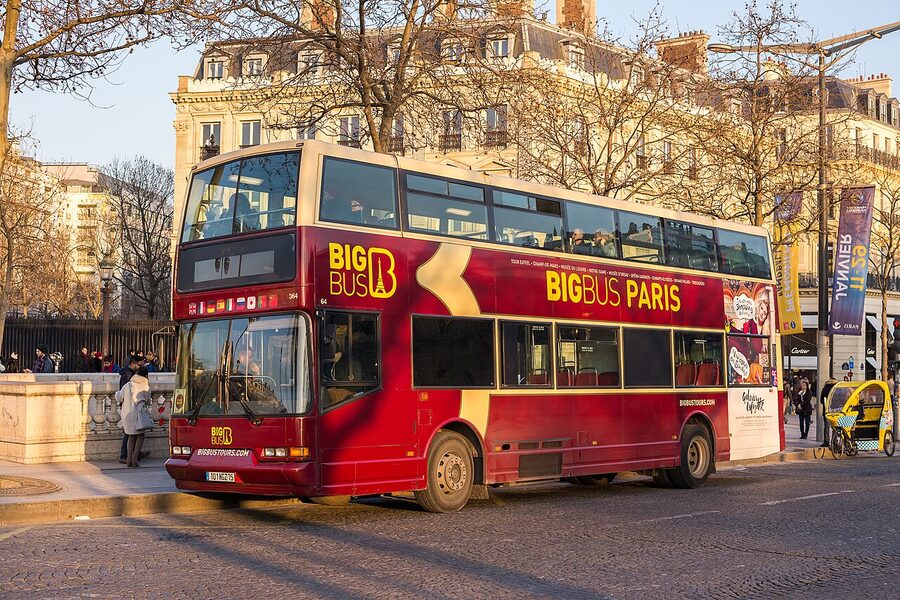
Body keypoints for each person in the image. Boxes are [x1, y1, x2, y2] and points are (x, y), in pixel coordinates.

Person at [116, 366, 153, 467]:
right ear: (146, 376)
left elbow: (119, 398)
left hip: (127, 414)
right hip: (139, 415)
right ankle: (134, 459)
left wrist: (116, 394)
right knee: (140, 436)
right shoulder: (146, 387)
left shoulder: (128, 385)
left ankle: (128, 459)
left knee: (131, 437)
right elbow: (148, 402)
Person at [819, 378, 838, 447]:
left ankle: (826, 441)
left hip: (826, 410)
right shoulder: (837, 388)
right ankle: (835, 442)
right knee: (835, 427)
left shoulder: (825, 388)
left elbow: (821, 400)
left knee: (826, 426)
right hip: (836, 410)